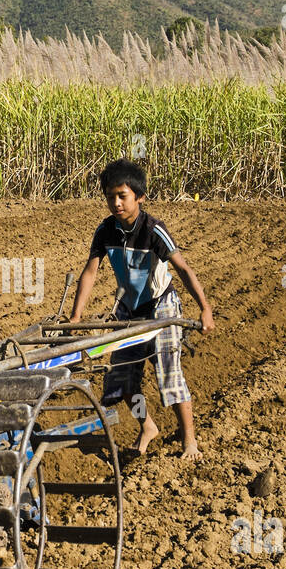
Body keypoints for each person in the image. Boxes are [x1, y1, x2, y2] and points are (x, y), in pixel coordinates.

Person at [68, 159, 214, 459]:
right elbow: (90, 272)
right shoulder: (106, 230)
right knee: (120, 380)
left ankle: (189, 441)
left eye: (122, 196)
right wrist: (76, 316)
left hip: (161, 307)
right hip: (128, 310)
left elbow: (183, 268)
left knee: (169, 375)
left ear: (140, 197)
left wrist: (205, 308)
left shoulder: (153, 230)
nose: (116, 203)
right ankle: (147, 425)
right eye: (110, 196)